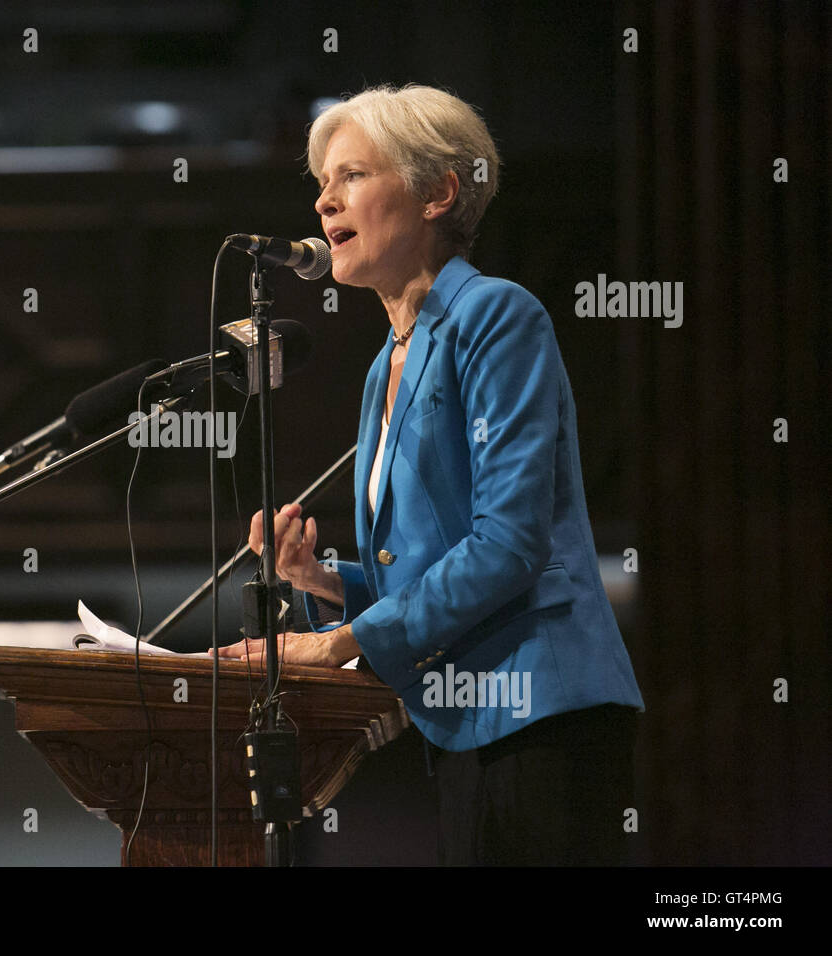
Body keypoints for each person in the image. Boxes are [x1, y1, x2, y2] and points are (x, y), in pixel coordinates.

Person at [215, 84, 644, 865]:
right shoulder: (386, 366)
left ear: (439, 193)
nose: (323, 203)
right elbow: (432, 567)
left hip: (542, 715)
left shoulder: (496, 315)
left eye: (351, 176)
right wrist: (325, 579)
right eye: (320, 184)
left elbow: (509, 546)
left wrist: (339, 643)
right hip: (463, 725)